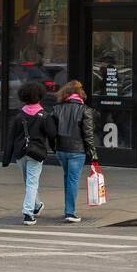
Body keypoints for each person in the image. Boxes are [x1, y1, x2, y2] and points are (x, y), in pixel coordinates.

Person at [46, 80, 96, 223]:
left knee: (67, 177)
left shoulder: (57, 108)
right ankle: (70, 212)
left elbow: (51, 131)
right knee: (72, 180)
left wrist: (54, 147)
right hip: (77, 150)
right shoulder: (84, 109)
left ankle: (68, 209)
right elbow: (88, 133)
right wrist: (92, 152)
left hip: (61, 149)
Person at [1, 81, 49, 225]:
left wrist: (6, 158)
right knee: (32, 182)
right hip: (36, 153)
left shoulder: (18, 116)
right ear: (40, 96)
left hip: (20, 153)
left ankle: (37, 205)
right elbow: (52, 133)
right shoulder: (43, 115)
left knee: (29, 182)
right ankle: (28, 213)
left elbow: (11, 138)